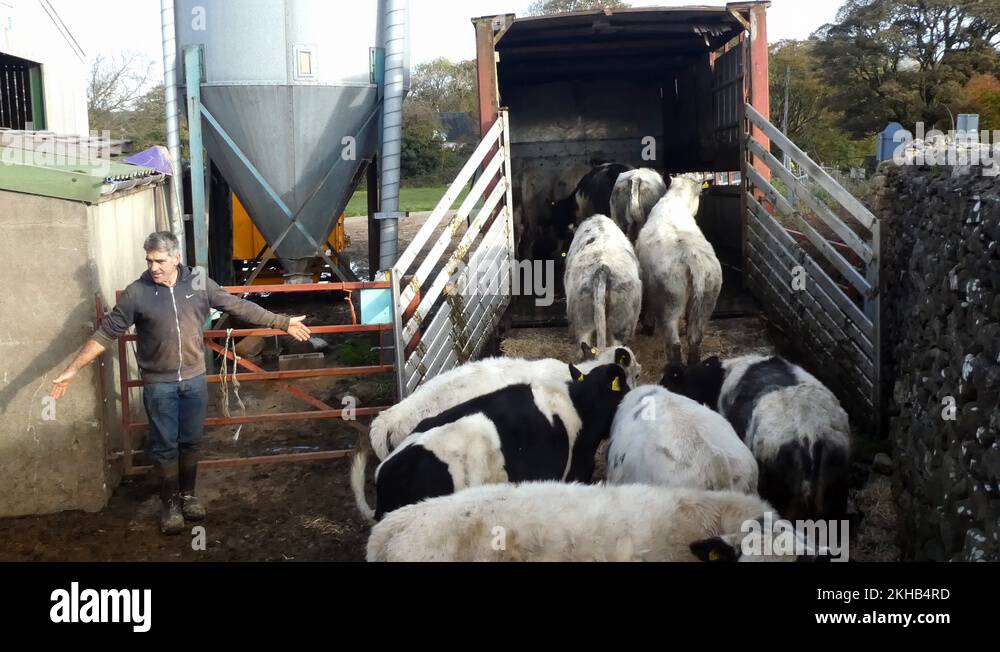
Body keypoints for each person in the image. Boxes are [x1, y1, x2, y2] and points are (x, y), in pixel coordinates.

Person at [49, 231, 311, 534]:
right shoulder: (138, 293)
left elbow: (236, 306)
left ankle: (188, 496)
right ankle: (170, 504)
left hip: (194, 379)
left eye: (160, 260)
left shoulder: (198, 282)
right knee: (164, 446)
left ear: (176, 258)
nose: (153, 267)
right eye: (149, 260)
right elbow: (106, 333)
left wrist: (282, 321)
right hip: (159, 384)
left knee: (191, 441)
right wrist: (72, 369)